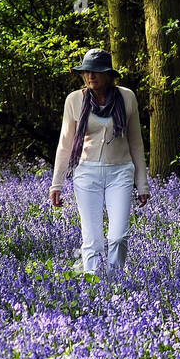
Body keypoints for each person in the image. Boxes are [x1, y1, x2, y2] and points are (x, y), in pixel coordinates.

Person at [49, 49, 149, 274]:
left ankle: (115, 282)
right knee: (92, 238)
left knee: (118, 236)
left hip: (121, 172)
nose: (90, 76)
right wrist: (57, 184)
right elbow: (65, 144)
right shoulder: (74, 100)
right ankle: (93, 285)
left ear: (109, 75)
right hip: (86, 173)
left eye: (96, 72)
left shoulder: (127, 97)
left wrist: (142, 184)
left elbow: (136, 143)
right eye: (87, 72)